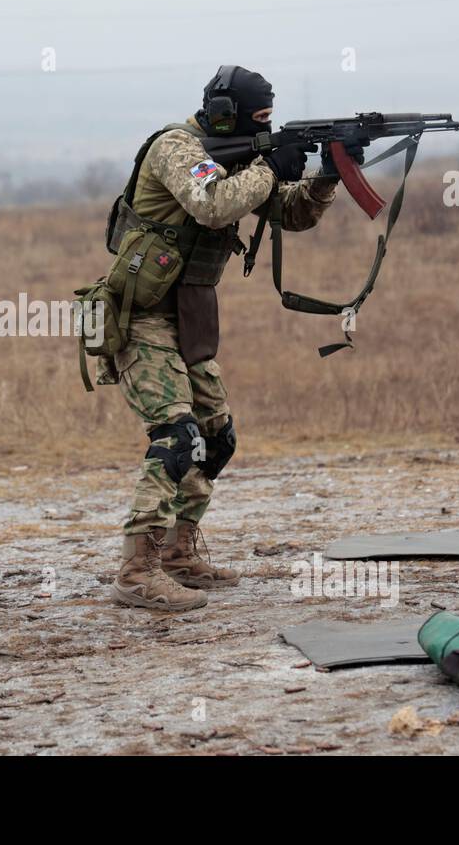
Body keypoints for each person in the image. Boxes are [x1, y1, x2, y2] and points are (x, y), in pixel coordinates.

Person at [103, 65, 338, 611]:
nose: (264, 128)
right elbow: (213, 204)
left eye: (269, 121)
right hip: (142, 316)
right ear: (226, 115)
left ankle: (177, 553)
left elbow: (291, 213)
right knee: (177, 435)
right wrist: (268, 166)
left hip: (188, 317)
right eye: (257, 119)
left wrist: (328, 174)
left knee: (216, 437)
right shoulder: (176, 147)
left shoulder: (237, 162)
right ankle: (136, 571)